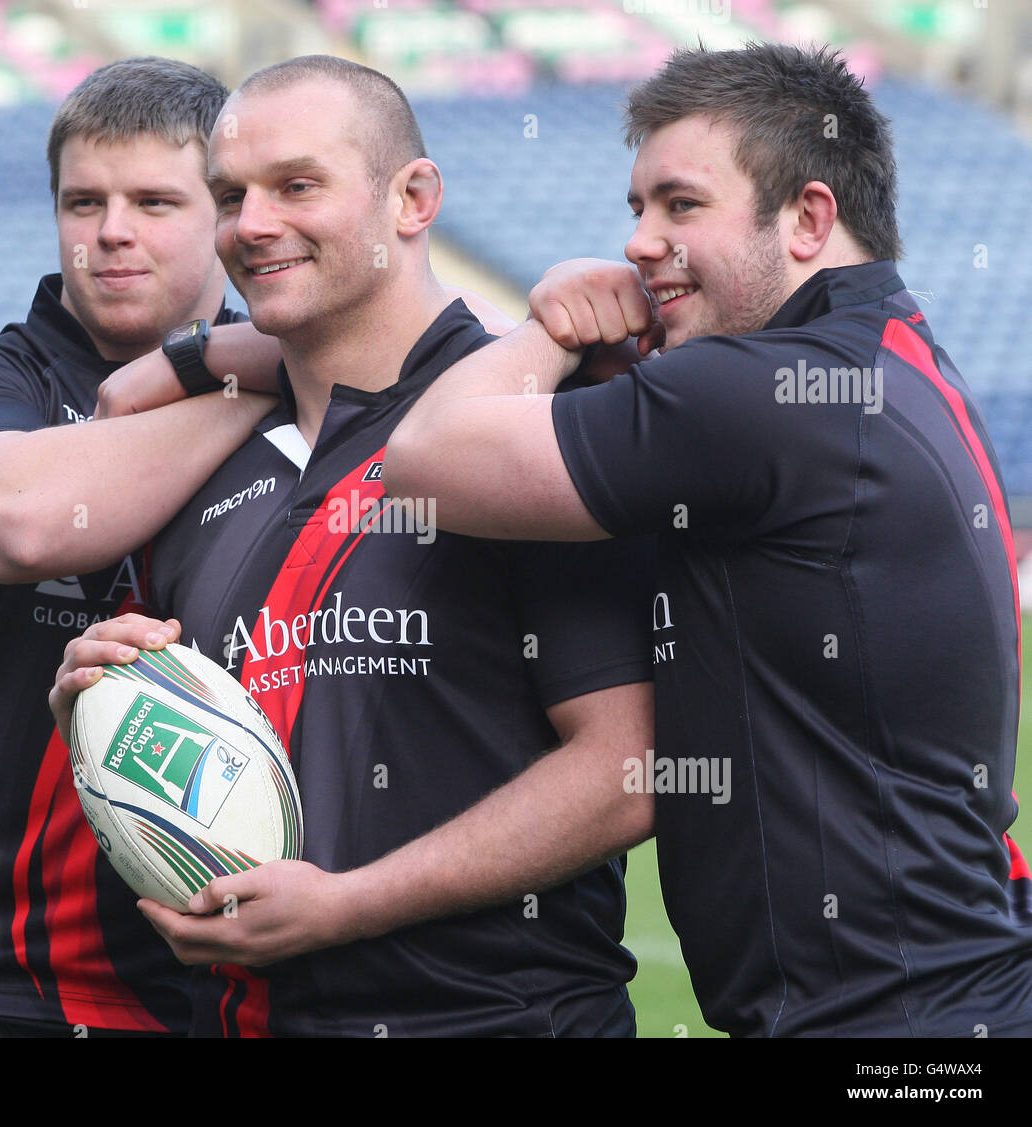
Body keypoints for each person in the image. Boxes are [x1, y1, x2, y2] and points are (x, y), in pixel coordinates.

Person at [384, 42, 1032, 1036]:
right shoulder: (882, 356)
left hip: (889, 1021)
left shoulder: (762, 389)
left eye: (680, 206)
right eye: (635, 208)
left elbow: (424, 460)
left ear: (810, 217)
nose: (640, 242)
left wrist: (546, 330)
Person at [50, 54, 656, 1037]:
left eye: (297, 186)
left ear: (412, 198)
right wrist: (104, 699)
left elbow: (630, 764)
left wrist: (351, 902)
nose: (251, 224)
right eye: (230, 195)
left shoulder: (531, 420)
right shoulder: (202, 454)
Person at [0, 57, 292, 1037]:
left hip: (257, 985)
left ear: (228, 216)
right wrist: (251, 384)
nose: (110, 231)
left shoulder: (309, 396)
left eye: (155, 200)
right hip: (13, 983)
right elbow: (18, 517)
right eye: (83, 200)